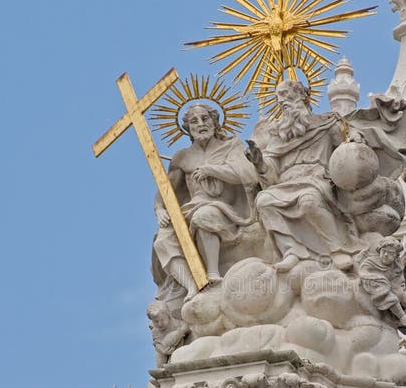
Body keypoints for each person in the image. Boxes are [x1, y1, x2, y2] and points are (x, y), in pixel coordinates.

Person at [246, 80, 360, 272]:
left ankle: (336, 250)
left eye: (285, 95)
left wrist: (355, 138)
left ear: (301, 96)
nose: (281, 101)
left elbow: (346, 141)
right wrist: (259, 162)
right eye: (278, 97)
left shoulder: (326, 123)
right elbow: (272, 173)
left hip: (315, 179)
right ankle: (291, 251)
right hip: (285, 183)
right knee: (263, 200)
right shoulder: (278, 134)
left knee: (308, 200)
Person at [153, 103, 258, 295]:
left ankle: (212, 274)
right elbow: (166, 191)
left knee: (203, 216)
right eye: (194, 121)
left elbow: (248, 175)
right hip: (192, 206)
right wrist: (159, 210)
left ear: (215, 122)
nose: (201, 124)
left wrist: (212, 170)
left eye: (205, 118)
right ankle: (192, 285)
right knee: (162, 241)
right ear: (188, 129)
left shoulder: (230, 146)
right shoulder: (182, 157)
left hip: (227, 207)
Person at [358, 237, 406, 327]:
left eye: (390, 253)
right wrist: (375, 278)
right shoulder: (371, 262)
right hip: (377, 286)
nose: (385, 255)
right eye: (383, 251)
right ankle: (402, 316)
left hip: (392, 285)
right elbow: (363, 271)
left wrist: (400, 288)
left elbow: (398, 278)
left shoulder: (396, 265)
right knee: (389, 296)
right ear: (379, 251)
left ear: (396, 256)